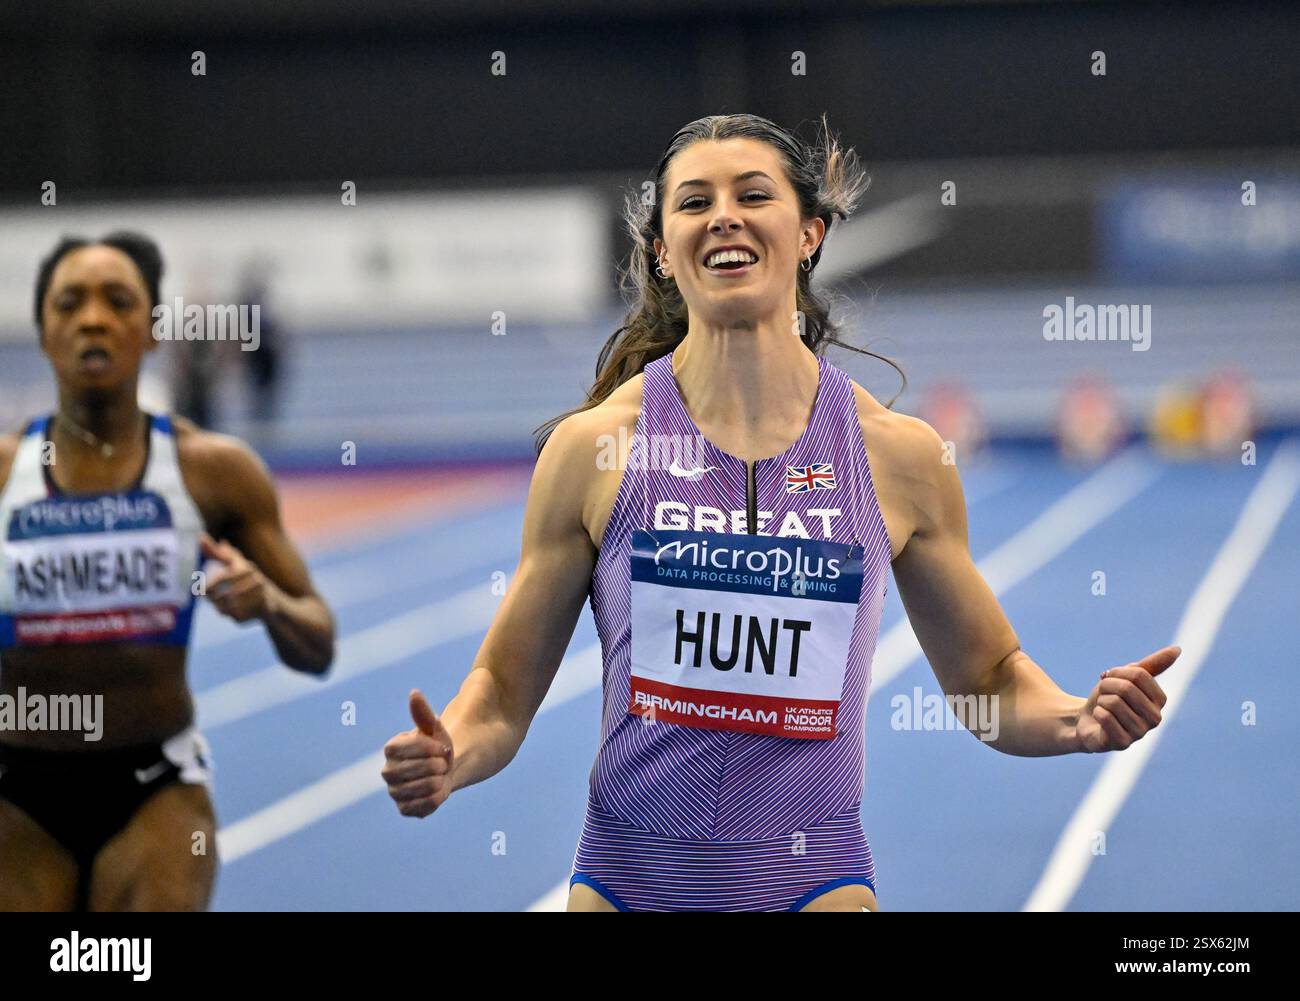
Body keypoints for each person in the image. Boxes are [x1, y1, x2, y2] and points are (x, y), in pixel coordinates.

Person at [381, 114, 1177, 912]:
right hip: (630, 883)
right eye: (694, 203)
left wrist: (1077, 718)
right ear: (663, 249)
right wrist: (454, 749)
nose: (723, 214)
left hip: (812, 881)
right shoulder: (596, 451)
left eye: (753, 194)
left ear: (809, 234)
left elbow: (991, 680)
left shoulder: (897, 458)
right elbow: (502, 693)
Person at [0, 231, 335, 911]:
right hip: (17, 793)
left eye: (117, 300)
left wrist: (268, 602)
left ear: (153, 330)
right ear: (44, 331)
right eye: (71, 302)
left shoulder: (213, 471)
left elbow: (319, 641)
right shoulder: (4, 475)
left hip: (154, 787)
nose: (93, 317)